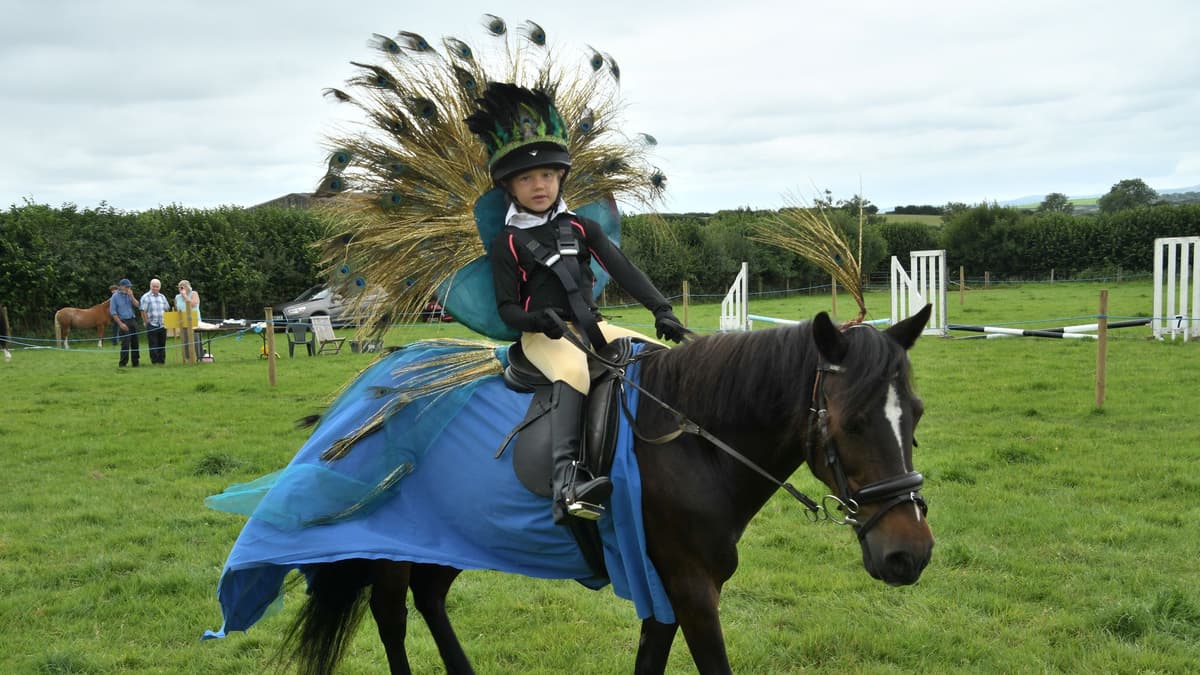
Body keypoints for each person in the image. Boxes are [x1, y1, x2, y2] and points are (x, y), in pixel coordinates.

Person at [466, 83, 687, 524]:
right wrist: (538, 321)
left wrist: (661, 309)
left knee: (659, 356)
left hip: (591, 326)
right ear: (509, 187)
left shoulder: (582, 228)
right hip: (541, 337)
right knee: (572, 370)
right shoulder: (507, 242)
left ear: (560, 176)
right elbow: (508, 309)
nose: (539, 185)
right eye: (526, 179)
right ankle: (567, 483)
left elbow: (623, 269)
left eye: (546, 175)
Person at [110, 278, 141, 367]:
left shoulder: (129, 294)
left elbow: (138, 305)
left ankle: (136, 363)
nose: (128, 288)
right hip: (123, 321)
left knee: (135, 342)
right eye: (127, 287)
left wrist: (132, 296)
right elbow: (113, 312)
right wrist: (120, 324)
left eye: (129, 287)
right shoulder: (115, 297)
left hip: (132, 320)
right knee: (125, 344)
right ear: (121, 287)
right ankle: (123, 364)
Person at [139, 278, 171, 364]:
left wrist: (167, 321)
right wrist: (146, 322)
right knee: (153, 344)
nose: (155, 288)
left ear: (159, 287)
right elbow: (143, 310)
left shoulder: (162, 297)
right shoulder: (146, 297)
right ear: (150, 286)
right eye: (153, 286)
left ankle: (162, 361)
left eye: (157, 287)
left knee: (162, 344)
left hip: (162, 324)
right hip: (152, 324)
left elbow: (167, 309)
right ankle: (155, 362)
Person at [175, 279, 204, 361]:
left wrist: (184, 296)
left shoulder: (194, 293)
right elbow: (177, 309)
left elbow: (193, 304)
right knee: (185, 340)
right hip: (183, 322)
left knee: (195, 339)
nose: (181, 289)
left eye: (183, 287)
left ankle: (198, 357)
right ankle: (188, 358)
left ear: (188, 287)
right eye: (180, 287)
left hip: (194, 321)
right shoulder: (177, 297)